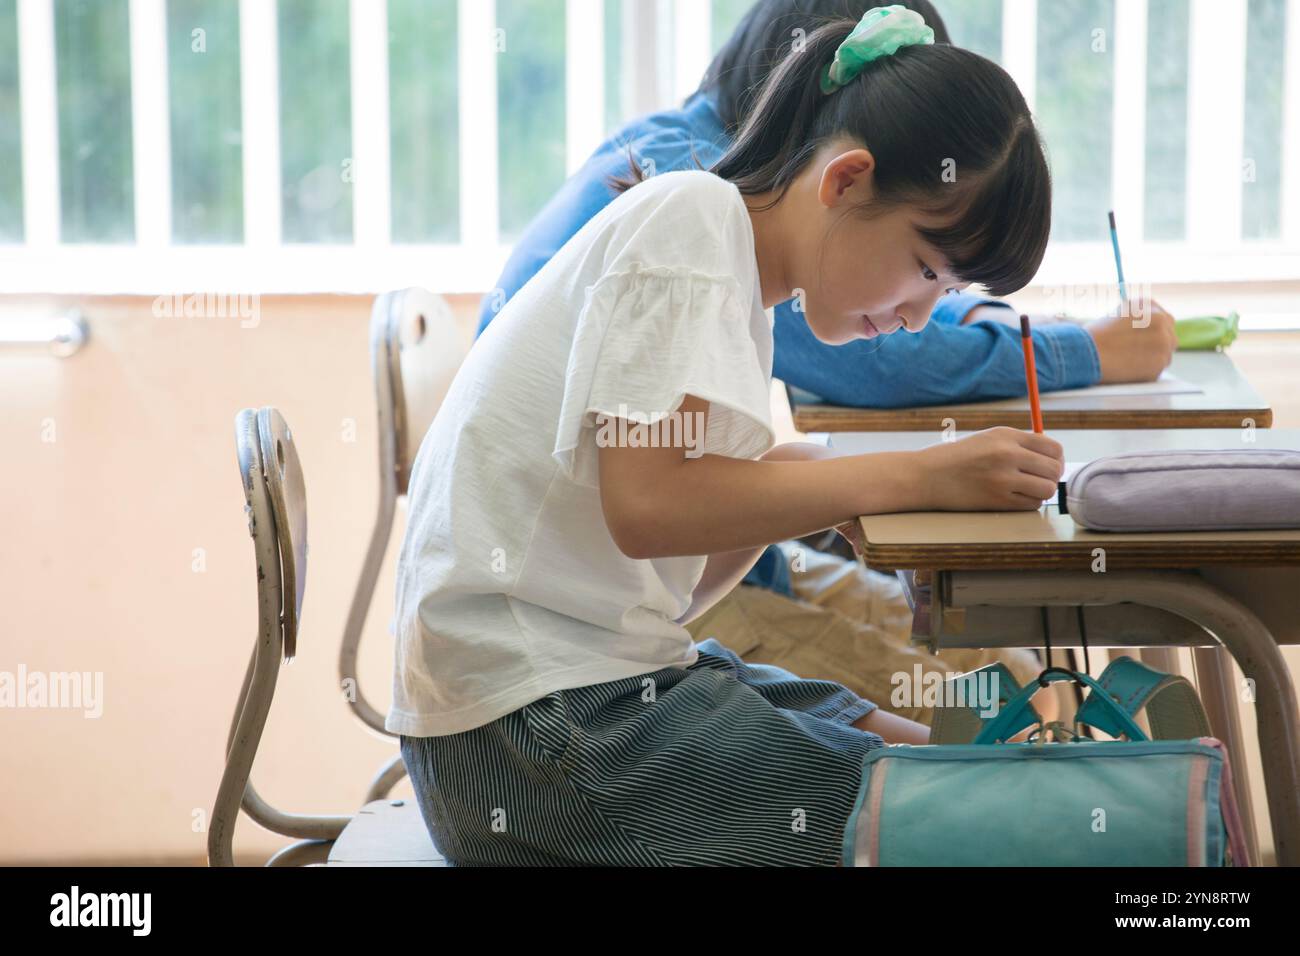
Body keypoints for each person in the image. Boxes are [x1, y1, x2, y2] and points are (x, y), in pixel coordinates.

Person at [392, 6, 1064, 865]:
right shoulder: (693, 227)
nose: (918, 313)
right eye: (928, 269)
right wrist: (902, 478)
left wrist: (811, 481)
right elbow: (651, 508)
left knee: (916, 742)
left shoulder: (721, 255)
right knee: (958, 815)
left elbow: (670, 570)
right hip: (531, 739)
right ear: (846, 181)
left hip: (560, 706)